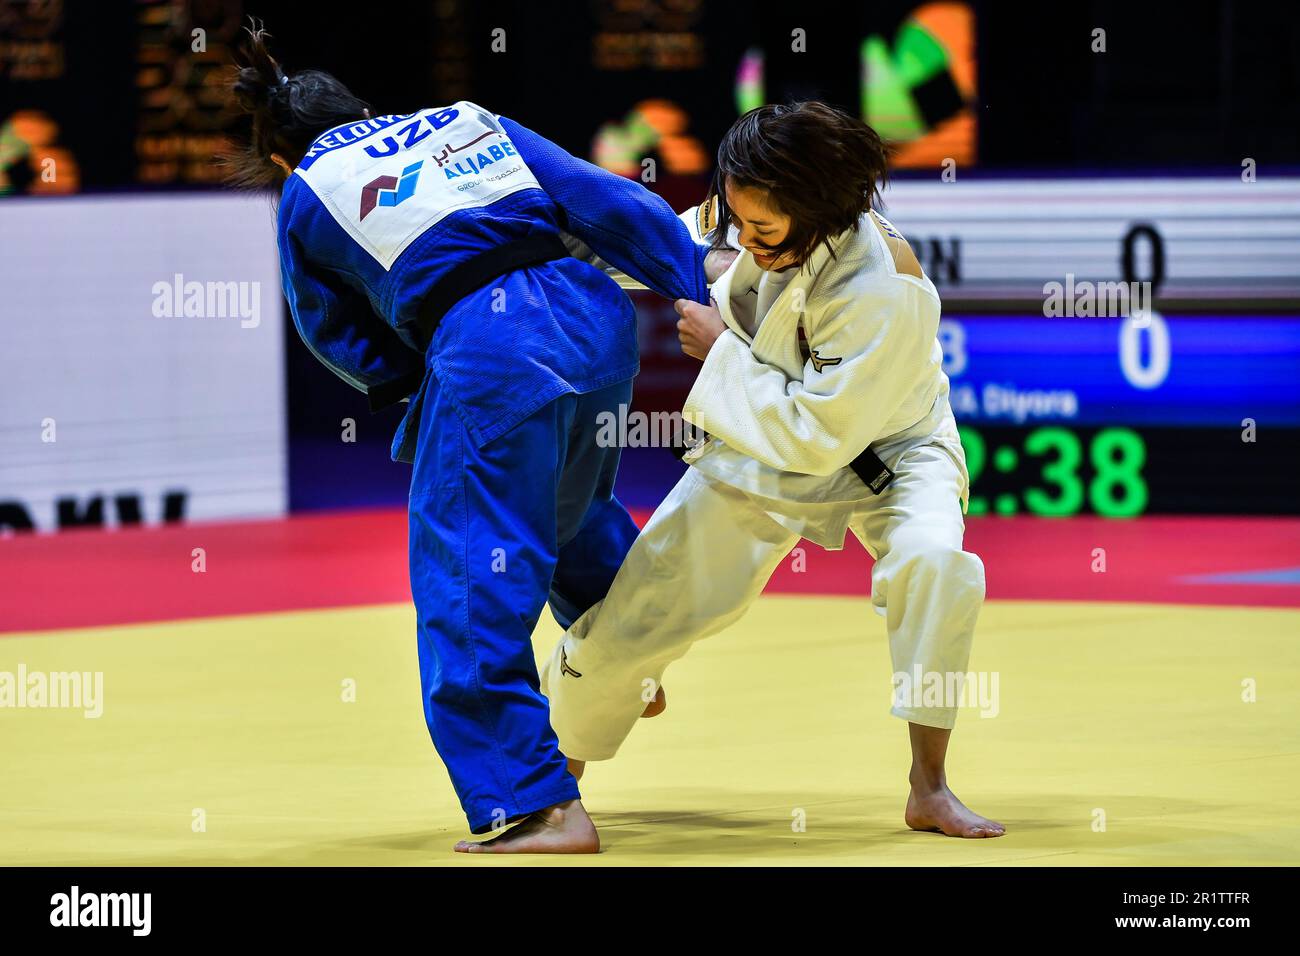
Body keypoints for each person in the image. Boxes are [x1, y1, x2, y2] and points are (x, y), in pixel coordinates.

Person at [225, 24, 729, 853]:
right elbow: (609, 201)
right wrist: (695, 289)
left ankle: (538, 806)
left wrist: (415, 385)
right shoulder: (467, 117)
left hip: (491, 351)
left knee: (469, 569)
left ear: (280, 157)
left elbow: (332, 334)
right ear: (367, 110)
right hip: (597, 331)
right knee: (567, 507)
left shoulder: (306, 190)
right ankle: (623, 657)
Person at [540, 102, 1005, 839]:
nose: (747, 244)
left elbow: (818, 434)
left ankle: (929, 786)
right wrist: (548, 252)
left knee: (935, 564)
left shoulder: (883, 291)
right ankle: (550, 795)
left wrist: (725, 346)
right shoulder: (743, 204)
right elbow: (656, 242)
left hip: (892, 447)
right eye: (739, 224)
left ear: (821, 211)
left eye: (766, 232)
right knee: (644, 604)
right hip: (767, 437)